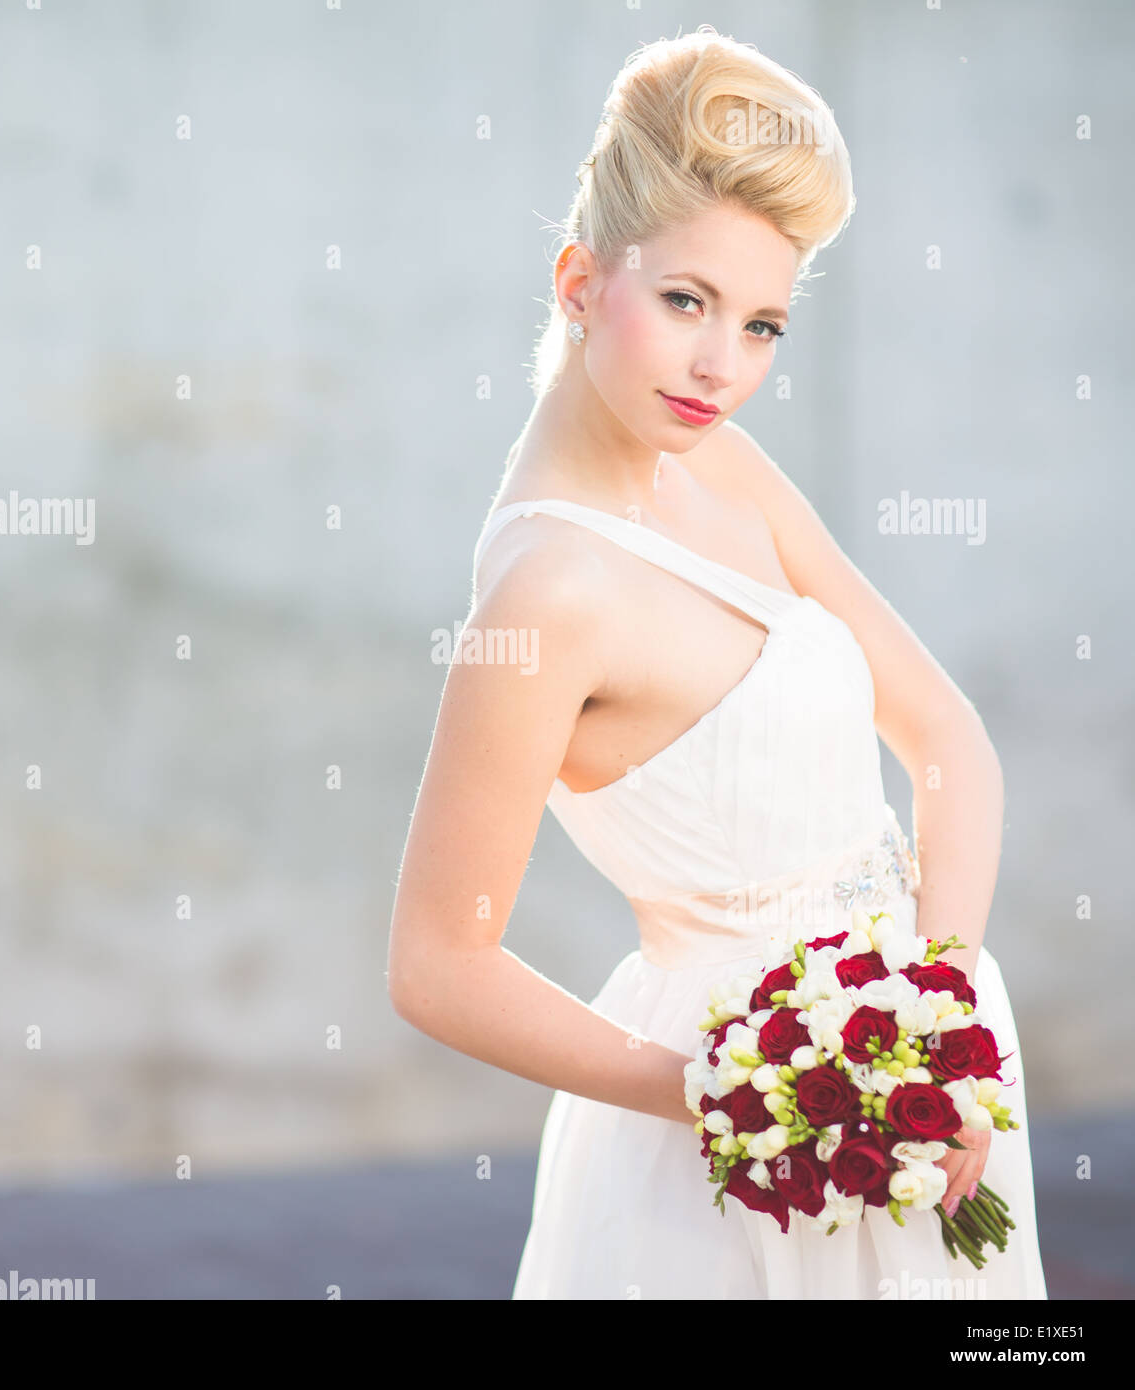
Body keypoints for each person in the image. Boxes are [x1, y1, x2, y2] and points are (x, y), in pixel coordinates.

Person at [386, 26, 1046, 1299]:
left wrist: (936, 1034)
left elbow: (949, 742)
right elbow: (436, 961)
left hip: (914, 1052)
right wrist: (725, 1090)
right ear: (579, 280)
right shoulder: (550, 591)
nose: (719, 368)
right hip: (735, 1125)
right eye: (685, 302)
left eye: (761, 325)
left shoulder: (715, 461)